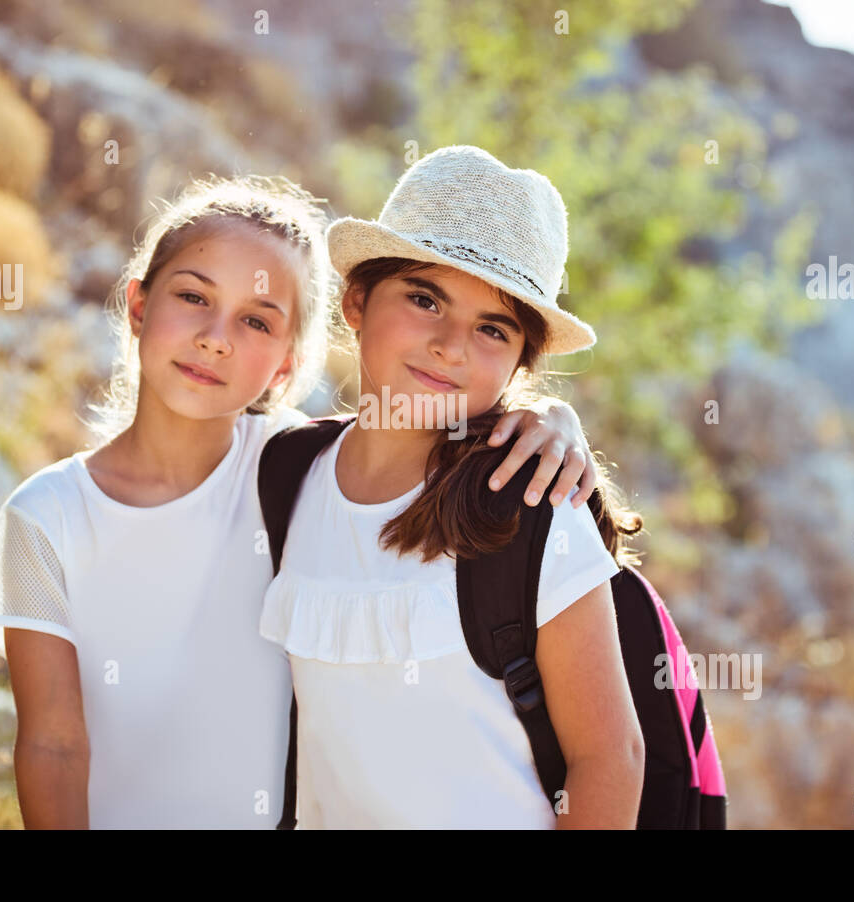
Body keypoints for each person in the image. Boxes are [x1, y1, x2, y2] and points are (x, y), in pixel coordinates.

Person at [0, 173, 598, 828]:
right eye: (192, 296)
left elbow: (421, 426)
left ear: (288, 366)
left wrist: (551, 417)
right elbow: (52, 743)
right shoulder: (44, 517)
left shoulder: (293, 470)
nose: (216, 338)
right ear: (136, 304)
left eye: (257, 320)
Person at [259, 146, 646, 829]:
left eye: (492, 329)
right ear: (356, 301)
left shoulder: (530, 506)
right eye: (424, 298)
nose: (451, 346)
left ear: (520, 365)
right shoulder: (287, 471)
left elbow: (611, 755)